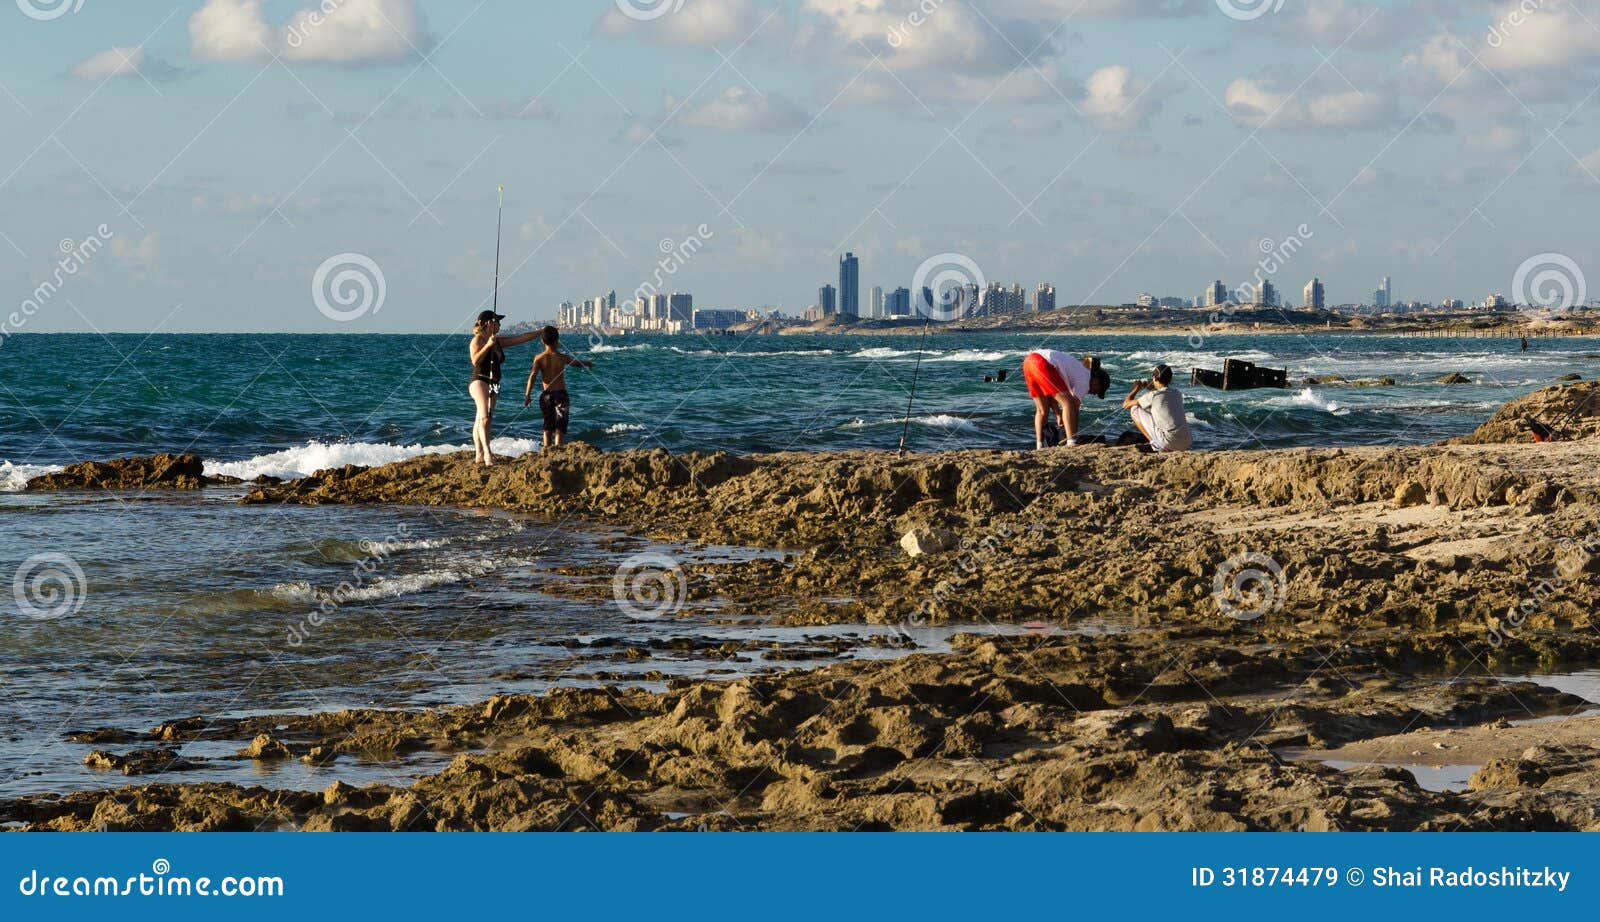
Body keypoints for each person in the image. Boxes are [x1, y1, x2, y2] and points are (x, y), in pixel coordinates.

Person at [469, 310, 540, 466]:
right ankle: (487, 453)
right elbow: (475, 360)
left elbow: (521, 338)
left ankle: (479, 454)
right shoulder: (478, 340)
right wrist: (488, 346)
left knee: (483, 418)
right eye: (497, 322)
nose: (500, 325)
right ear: (489, 323)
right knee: (485, 417)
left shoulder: (498, 341)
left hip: (494, 383)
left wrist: (541, 332)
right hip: (480, 381)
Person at [1022, 349, 1110, 449]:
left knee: (1041, 410)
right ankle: (1071, 442)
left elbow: (1052, 395)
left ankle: (1040, 445)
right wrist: (1074, 434)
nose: (1094, 393)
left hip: (1029, 361)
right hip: (1043, 362)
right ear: (1096, 381)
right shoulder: (1085, 379)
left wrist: (1058, 413)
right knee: (1069, 404)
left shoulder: (1077, 371)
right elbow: (1074, 407)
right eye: (1098, 390)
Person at [525, 325, 594, 450]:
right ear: (557, 340)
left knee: (547, 427)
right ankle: (558, 449)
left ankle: (546, 450)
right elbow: (575, 363)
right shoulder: (562, 357)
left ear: (542, 341)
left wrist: (527, 395)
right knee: (559, 428)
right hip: (561, 395)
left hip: (546, 396)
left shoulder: (539, 358)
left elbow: (532, 377)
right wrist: (587, 363)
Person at [1123, 363, 1193, 453]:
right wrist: (1149, 387)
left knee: (1134, 409)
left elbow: (1126, 404)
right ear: (1170, 379)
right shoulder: (1177, 393)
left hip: (1169, 443)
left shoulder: (1153, 395)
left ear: (1155, 378)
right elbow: (1162, 393)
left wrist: (1136, 388)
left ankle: (1155, 443)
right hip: (1186, 443)